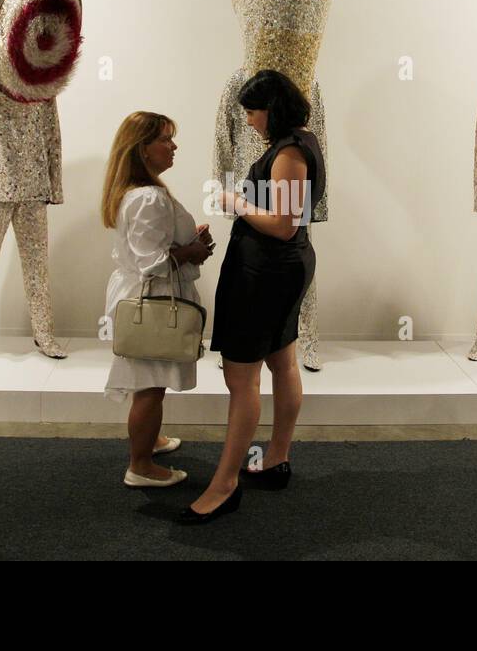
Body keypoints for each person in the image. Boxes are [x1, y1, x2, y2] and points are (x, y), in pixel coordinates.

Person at [181, 70, 326, 524]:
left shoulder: (289, 151)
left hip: (266, 272)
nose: (247, 121)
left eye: (251, 111)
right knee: (283, 362)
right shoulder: (302, 140)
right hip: (280, 268)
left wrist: (234, 202)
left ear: (271, 108)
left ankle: (225, 485)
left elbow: (284, 224)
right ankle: (276, 457)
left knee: (241, 379)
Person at [101, 111, 215, 487]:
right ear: (143, 149)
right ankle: (140, 466)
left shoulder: (138, 192)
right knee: (150, 385)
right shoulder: (149, 197)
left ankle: (150, 441)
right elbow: (152, 262)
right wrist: (193, 251)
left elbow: (148, 248)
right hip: (152, 299)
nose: (173, 146)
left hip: (139, 295)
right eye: (165, 139)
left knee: (149, 381)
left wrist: (187, 243)